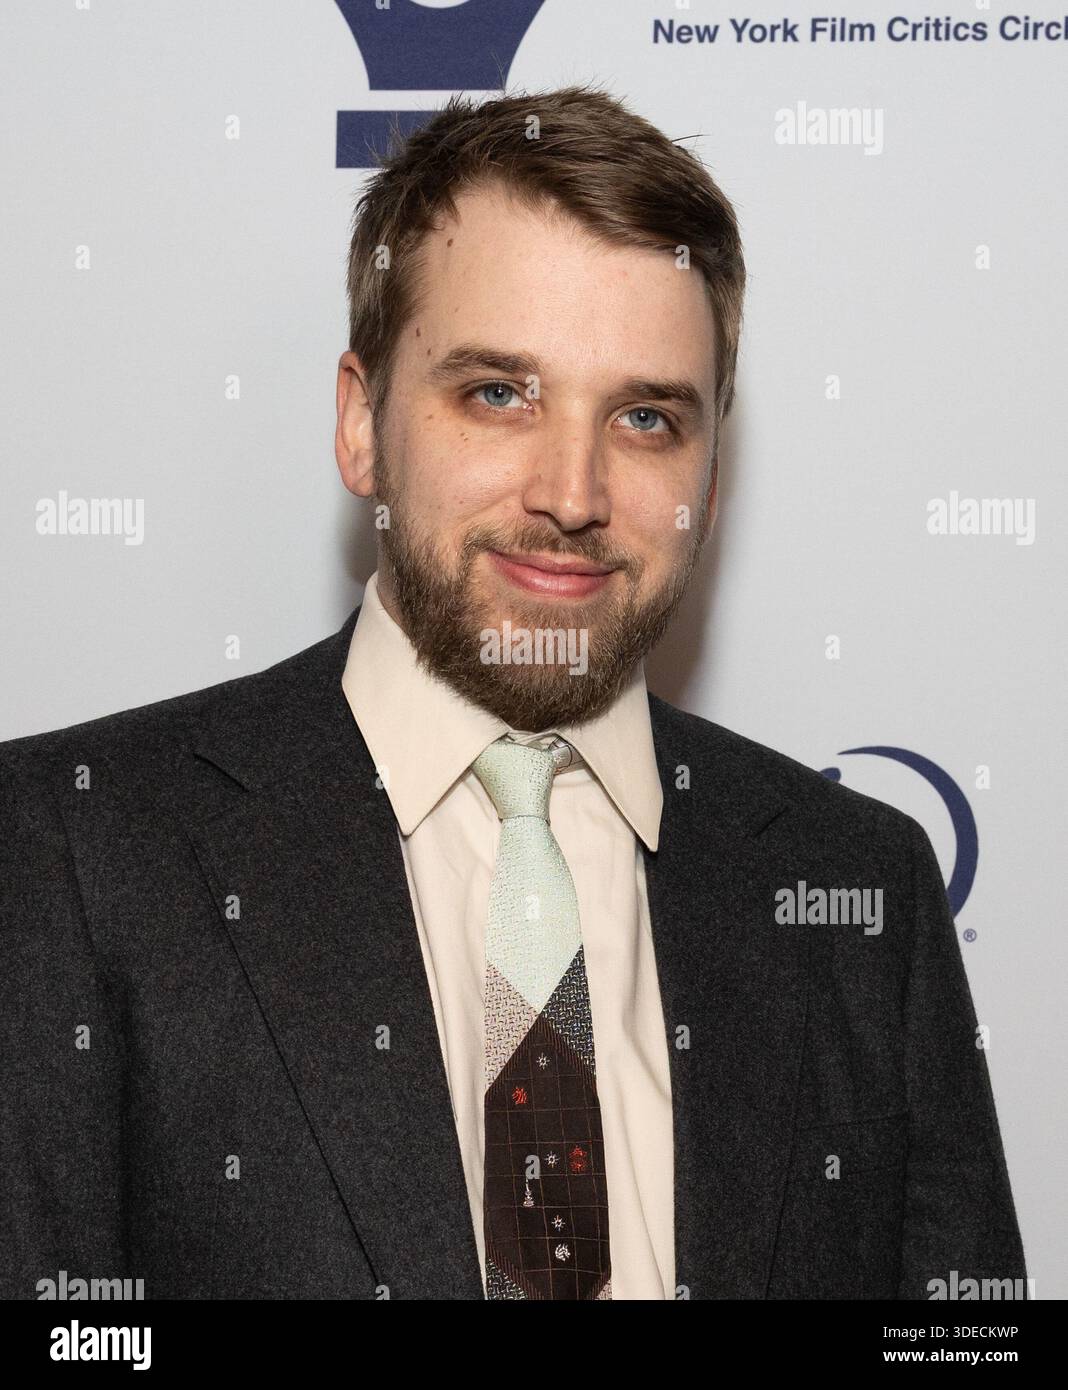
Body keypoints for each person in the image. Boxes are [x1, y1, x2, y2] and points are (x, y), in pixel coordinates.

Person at [0, 84, 1025, 1301]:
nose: (574, 491)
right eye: (499, 393)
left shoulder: (864, 890)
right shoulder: (73, 844)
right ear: (361, 423)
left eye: (646, 417)